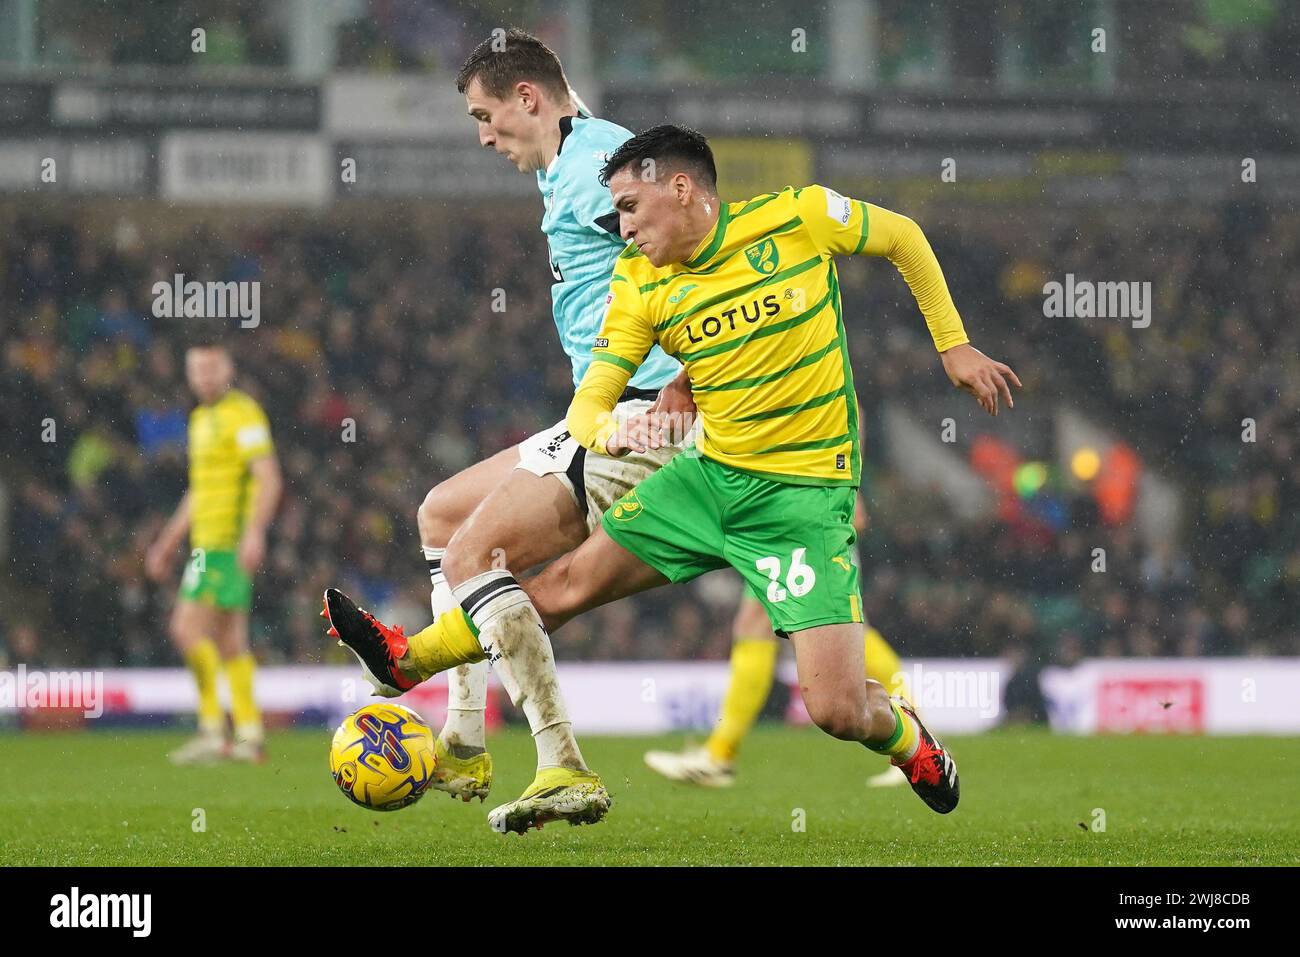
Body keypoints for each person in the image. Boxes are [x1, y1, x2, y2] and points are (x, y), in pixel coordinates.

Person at [326, 125, 1020, 830]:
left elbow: (902, 234)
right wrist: (611, 428)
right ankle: (408, 661)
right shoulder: (640, 281)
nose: (622, 229)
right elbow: (592, 399)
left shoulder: (798, 217)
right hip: (707, 479)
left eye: (630, 207)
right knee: (556, 590)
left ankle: (909, 739)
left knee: (838, 710)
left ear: (681, 188)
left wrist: (953, 343)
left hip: (802, 501)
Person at [146, 341, 282, 763]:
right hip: (204, 545)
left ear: (229, 367)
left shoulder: (242, 413)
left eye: (212, 367)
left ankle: (211, 729)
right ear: (189, 373)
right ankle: (248, 734)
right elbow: (199, 491)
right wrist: (168, 541)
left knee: (185, 629)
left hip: (226, 544)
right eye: (197, 368)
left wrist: (255, 532)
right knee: (229, 641)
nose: (205, 376)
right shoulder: (200, 418)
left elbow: (269, 477)